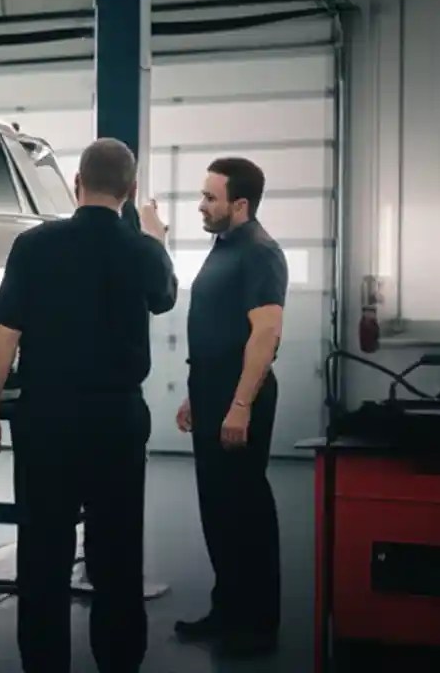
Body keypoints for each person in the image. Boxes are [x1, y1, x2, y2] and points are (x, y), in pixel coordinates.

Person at [0, 138, 177, 673]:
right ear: (130, 192)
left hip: (46, 417)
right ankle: (118, 662)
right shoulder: (141, 249)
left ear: (76, 184)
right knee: (117, 551)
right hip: (117, 419)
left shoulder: (35, 246)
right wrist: (156, 239)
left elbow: (2, 330)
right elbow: (165, 296)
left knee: (42, 553)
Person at [173, 157, 286, 657]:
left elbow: (265, 335)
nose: (201, 204)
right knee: (217, 511)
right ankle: (229, 608)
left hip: (241, 398)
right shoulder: (222, 248)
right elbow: (217, 329)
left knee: (245, 511)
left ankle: (258, 623)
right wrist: (196, 396)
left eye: (210, 197)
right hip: (212, 392)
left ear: (240, 204)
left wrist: (240, 404)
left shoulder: (260, 253)